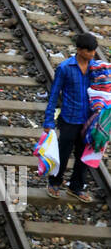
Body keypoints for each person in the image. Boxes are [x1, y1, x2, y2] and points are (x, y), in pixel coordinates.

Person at [43, 32, 101, 203]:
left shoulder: (96, 68)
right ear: (79, 50)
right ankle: (54, 183)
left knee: (84, 156)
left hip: (89, 120)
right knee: (62, 153)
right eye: (89, 51)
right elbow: (54, 95)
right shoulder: (65, 68)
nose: (92, 54)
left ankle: (76, 187)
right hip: (69, 118)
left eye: (93, 51)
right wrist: (48, 120)